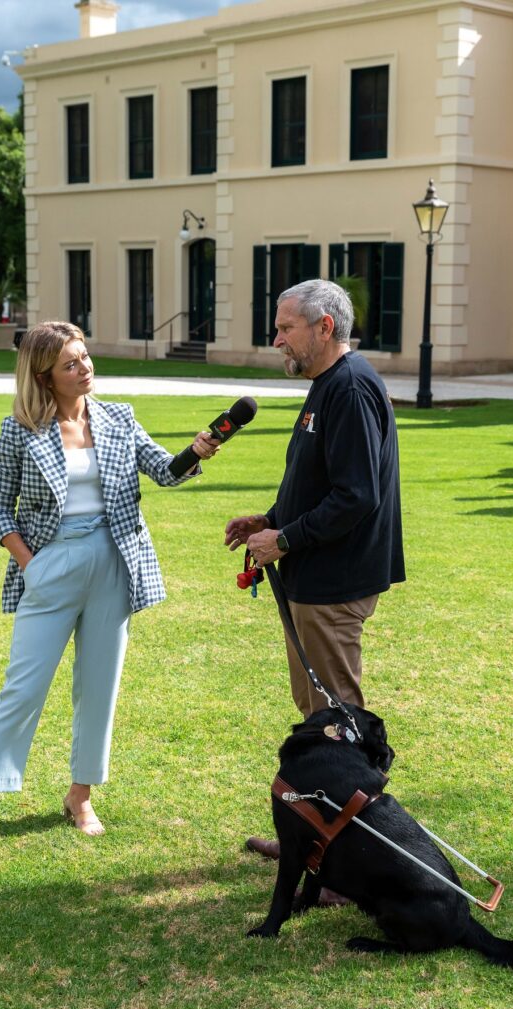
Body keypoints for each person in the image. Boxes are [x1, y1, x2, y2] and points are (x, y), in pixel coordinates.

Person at [0, 321, 219, 862]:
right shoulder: (19, 430)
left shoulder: (118, 417)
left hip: (114, 562)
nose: (85, 369)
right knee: (22, 690)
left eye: (85, 356)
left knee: (100, 687)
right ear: (44, 376)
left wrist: (195, 451)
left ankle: (80, 794)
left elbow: (164, 471)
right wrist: (31, 565)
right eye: (71, 363)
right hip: (50, 565)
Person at [224, 279, 404, 877]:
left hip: (335, 583)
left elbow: (356, 495)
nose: (277, 339)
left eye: (286, 328)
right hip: (312, 579)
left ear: (325, 327)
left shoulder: (349, 388)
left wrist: (285, 539)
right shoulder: (327, 385)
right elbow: (320, 483)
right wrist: (270, 520)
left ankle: (347, 864)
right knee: (318, 720)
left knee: (338, 728)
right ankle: (313, 839)